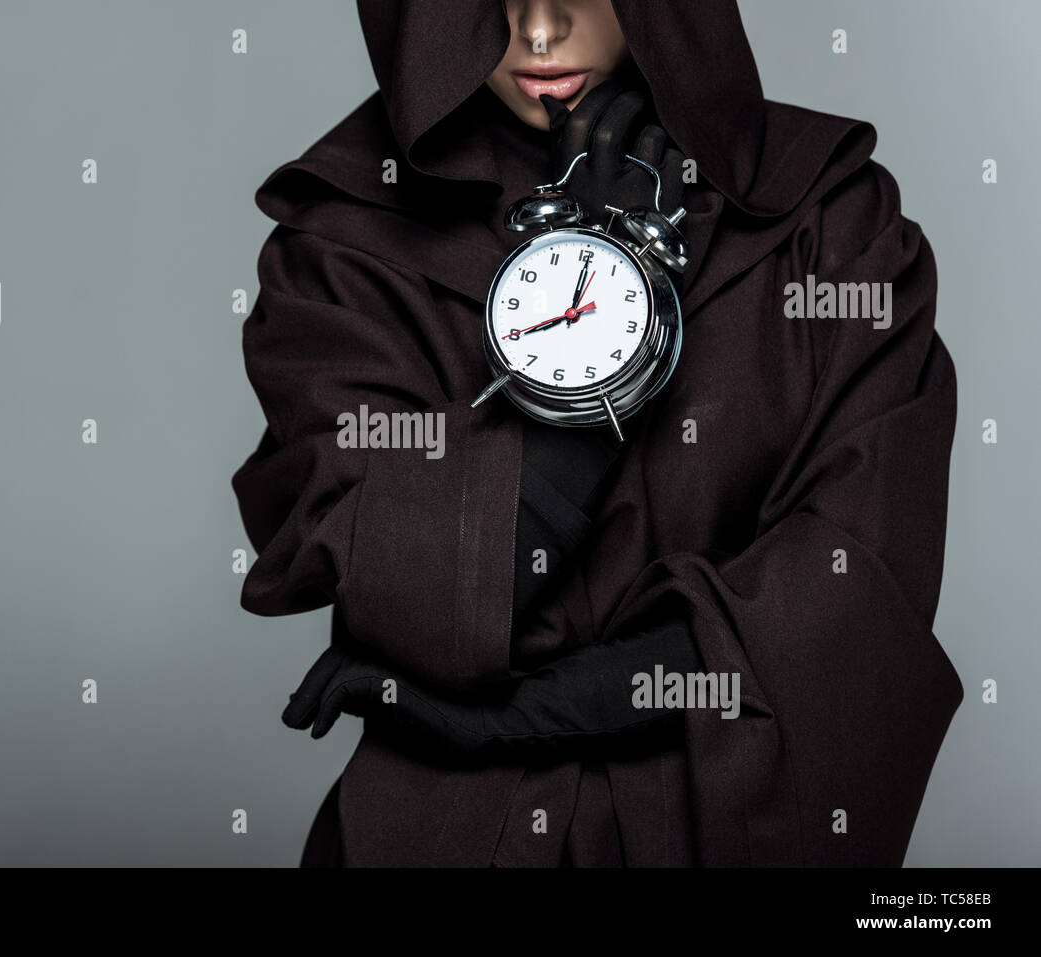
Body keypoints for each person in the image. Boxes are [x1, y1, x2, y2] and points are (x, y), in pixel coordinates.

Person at [231, 0, 963, 867]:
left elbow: (851, 602)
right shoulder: (342, 245)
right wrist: (600, 285)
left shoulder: (835, 227)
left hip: (726, 834)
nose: (539, 28)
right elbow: (408, 590)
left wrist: (519, 711)